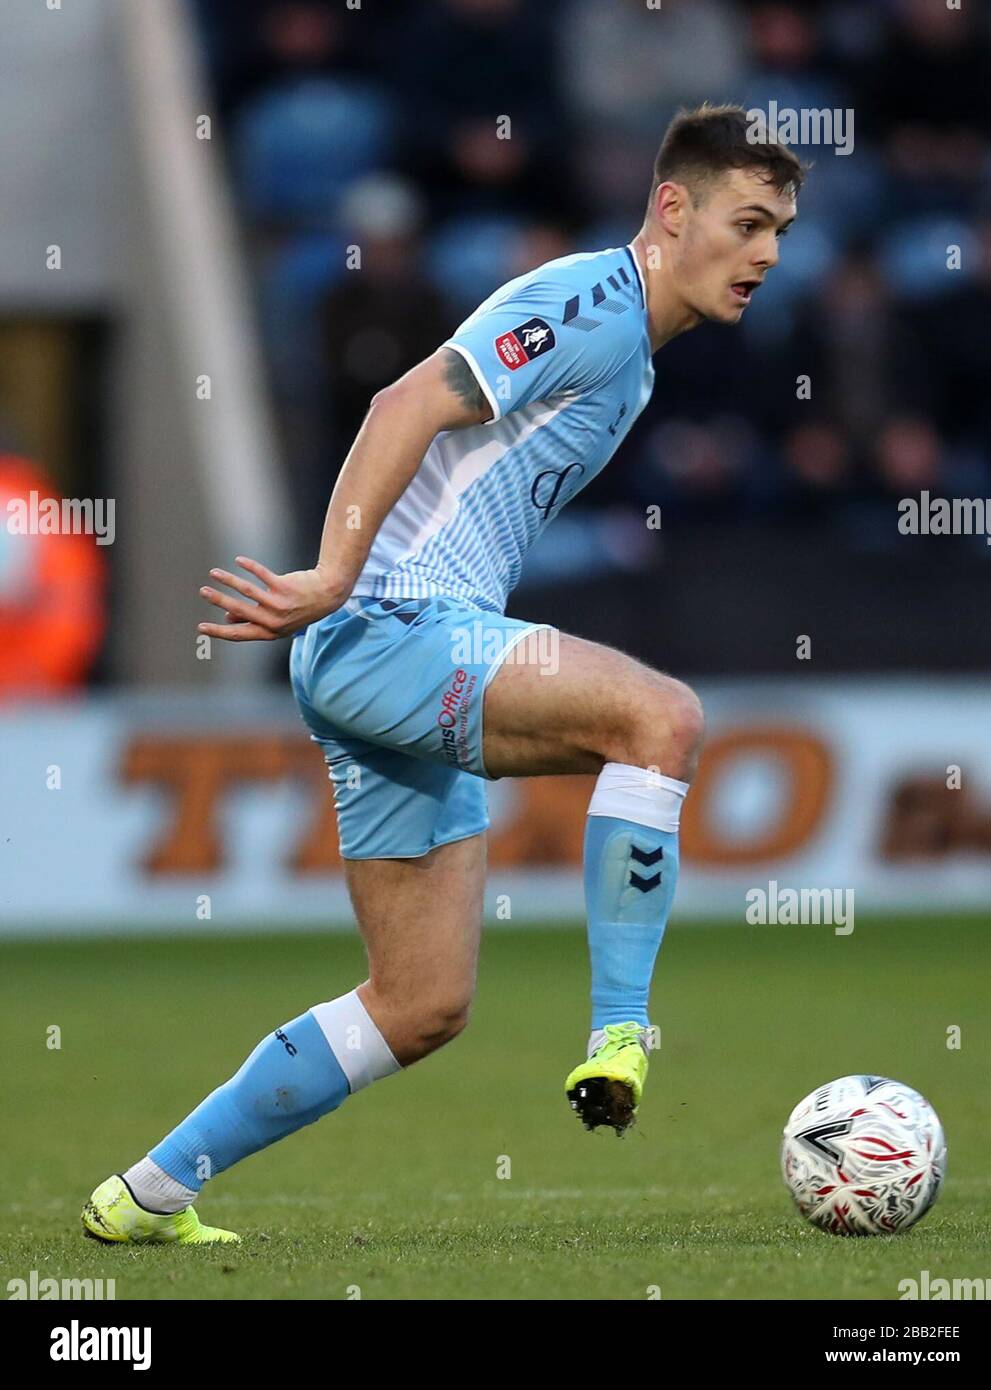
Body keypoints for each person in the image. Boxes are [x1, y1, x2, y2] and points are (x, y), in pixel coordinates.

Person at [82, 104, 801, 1245]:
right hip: (394, 624)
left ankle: (147, 1193)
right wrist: (332, 573)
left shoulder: (636, 360)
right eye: (749, 221)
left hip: (388, 657)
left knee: (419, 1005)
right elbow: (403, 399)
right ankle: (620, 1033)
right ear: (673, 209)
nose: (767, 253)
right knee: (659, 719)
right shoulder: (589, 304)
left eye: (781, 230)